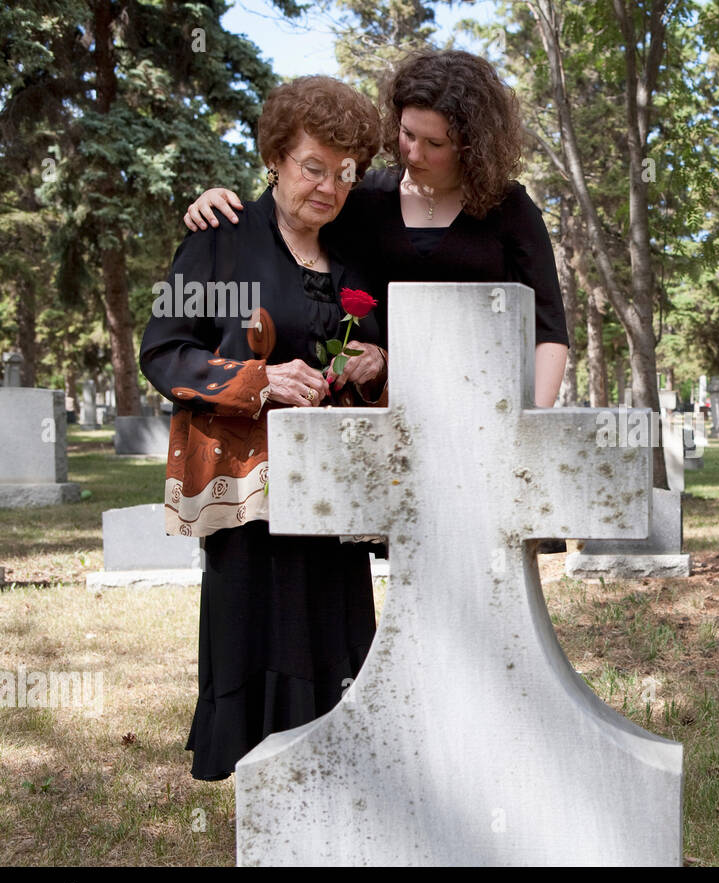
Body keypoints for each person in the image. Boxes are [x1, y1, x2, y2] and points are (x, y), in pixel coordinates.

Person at [140, 76, 386, 781]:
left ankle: (334, 789)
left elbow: (372, 357)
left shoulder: (350, 262)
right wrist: (259, 380)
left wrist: (374, 365)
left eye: (345, 174)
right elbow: (162, 351)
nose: (330, 187)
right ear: (276, 157)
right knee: (257, 637)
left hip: (332, 505)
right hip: (247, 500)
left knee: (335, 641)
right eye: (314, 167)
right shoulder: (221, 244)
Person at [184, 49, 570, 408]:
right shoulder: (363, 198)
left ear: (471, 145)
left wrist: (533, 420)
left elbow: (548, 330)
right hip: (386, 408)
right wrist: (218, 201)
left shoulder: (510, 208)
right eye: (407, 134)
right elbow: (288, 212)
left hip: (486, 400)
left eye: (435, 143)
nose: (413, 154)